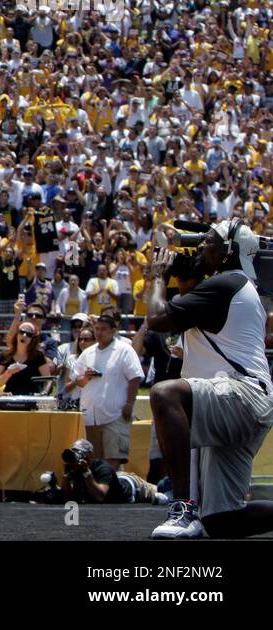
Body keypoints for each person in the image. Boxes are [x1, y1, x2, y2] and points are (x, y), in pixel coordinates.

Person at [145, 223, 273, 539]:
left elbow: (157, 319)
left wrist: (158, 277)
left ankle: (181, 508)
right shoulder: (235, 285)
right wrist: (185, 277)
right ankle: (198, 515)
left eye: (210, 241)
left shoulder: (226, 284)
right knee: (223, 521)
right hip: (249, 399)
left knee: (165, 394)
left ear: (229, 250)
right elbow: (193, 305)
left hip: (241, 393)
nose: (202, 245)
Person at [69, 311, 142, 470]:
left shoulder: (125, 350)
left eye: (103, 329)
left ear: (113, 331)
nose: (99, 332)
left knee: (112, 461)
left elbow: (135, 377)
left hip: (115, 415)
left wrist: (129, 404)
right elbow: (77, 380)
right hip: (91, 417)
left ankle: (110, 492)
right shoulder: (88, 353)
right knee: (94, 462)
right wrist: (86, 377)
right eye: (97, 329)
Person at [55, 438, 164, 506]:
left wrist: (86, 472)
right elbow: (66, 497)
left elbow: (100, 496)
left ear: (90, 455)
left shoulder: (102, 468)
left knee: (163, 493)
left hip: (135, 486)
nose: (77, 459)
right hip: (115, 478)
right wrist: (66, 474)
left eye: (81, 454)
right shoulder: (76, 468)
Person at [0, 310, 57, 396]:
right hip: (9, 400)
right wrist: (8, 373)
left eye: (29, 334)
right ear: (16, 334)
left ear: (32, 339)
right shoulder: (6, 356)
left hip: (32, 401)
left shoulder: (38, 356)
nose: (24, 336)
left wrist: (44, 393)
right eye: (21, 332)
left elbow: (48, 380)